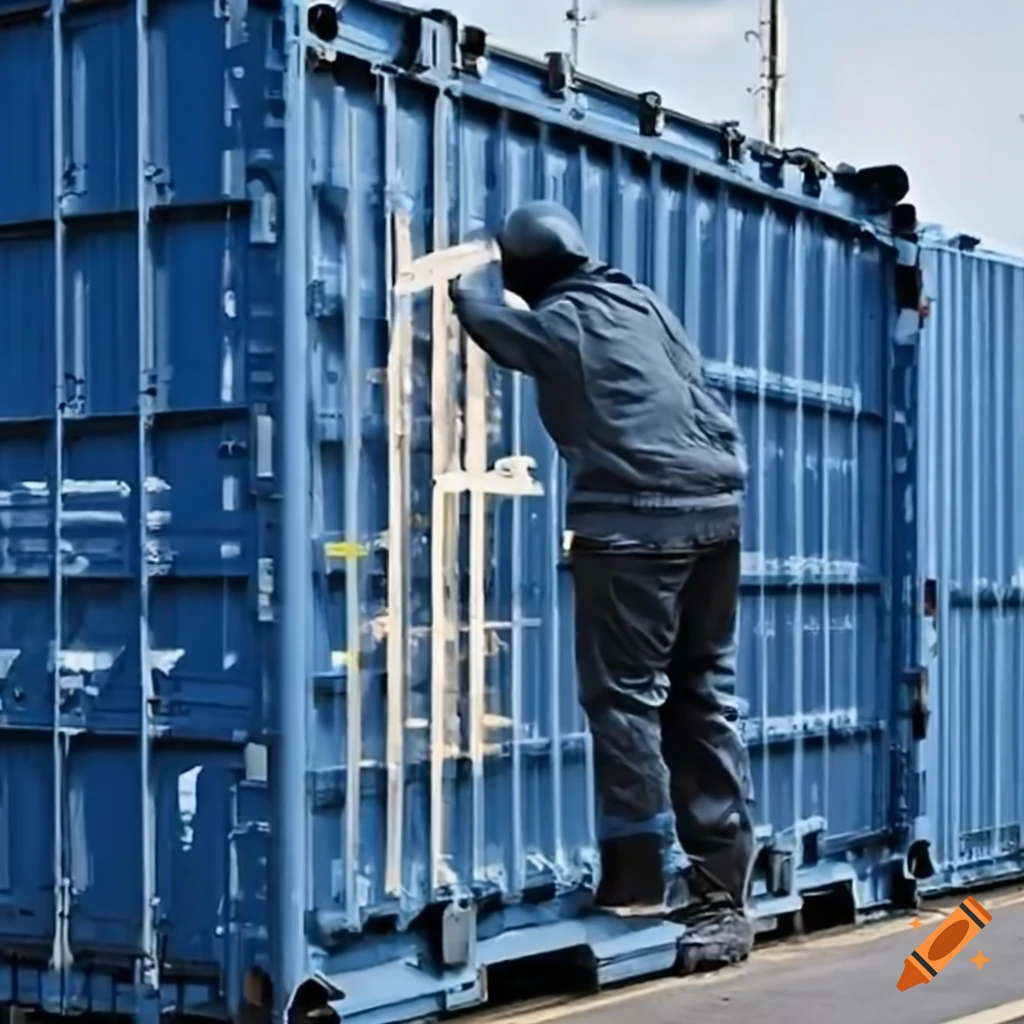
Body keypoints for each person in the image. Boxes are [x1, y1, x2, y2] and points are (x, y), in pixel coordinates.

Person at [449, 200, 755, 965]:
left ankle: (638, 876)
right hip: (718, 515)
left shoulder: (560, 326)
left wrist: (468, 271)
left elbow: (487, 320)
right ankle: (722, 898)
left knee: (624, 698)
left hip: (637, 523)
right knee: (702, 694)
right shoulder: (639, 299)